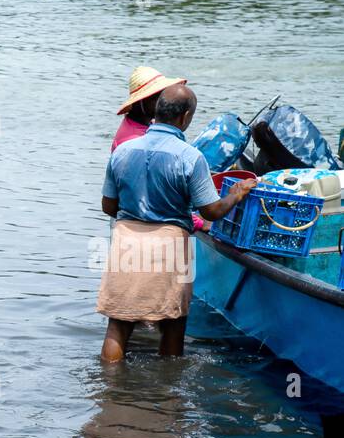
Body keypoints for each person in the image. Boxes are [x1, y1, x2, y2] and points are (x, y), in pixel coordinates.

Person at [99, 83, 258, 361]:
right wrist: (236, 194)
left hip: (126, 240)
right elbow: (210, 211)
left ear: (157, 112)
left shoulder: (122, 151)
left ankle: (109, 390)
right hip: (169, 245)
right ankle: (167, 392)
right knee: (173, 323)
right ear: (185, 118)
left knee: (119, 323)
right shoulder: (190, 157)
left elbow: (108, 206)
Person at [112, 65, 206, 234]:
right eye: (157, 97)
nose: (164, 100)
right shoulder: (134, 142)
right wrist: (199, 223)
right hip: (146, 225)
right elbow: (151, 197)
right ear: (141, 102)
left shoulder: (144, 128)